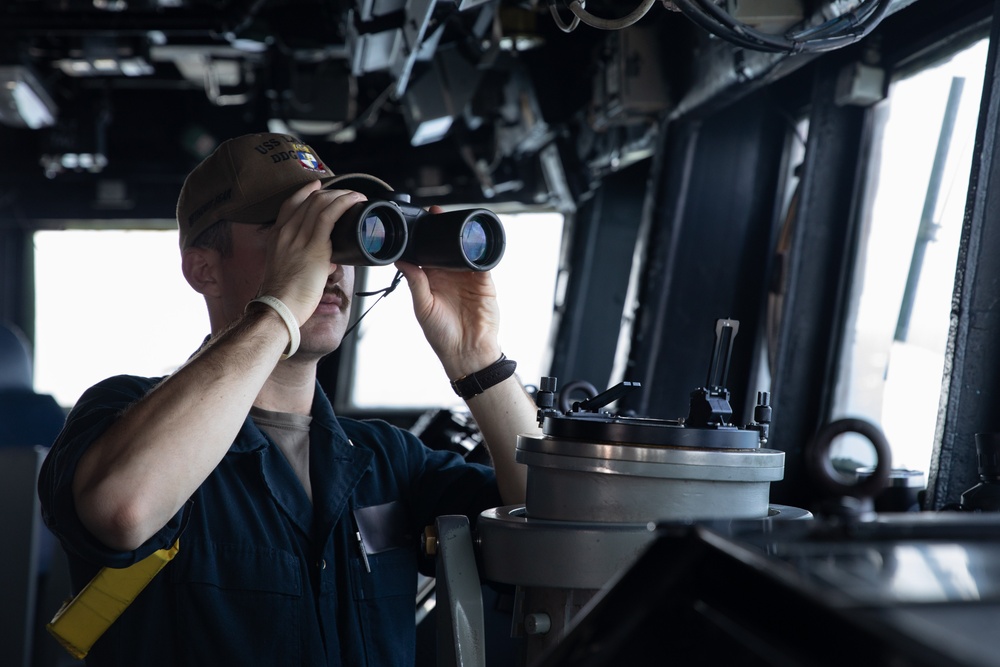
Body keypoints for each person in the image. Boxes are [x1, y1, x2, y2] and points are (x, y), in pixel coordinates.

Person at [38, 132, 539, 666]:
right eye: (294, 232)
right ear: (203, 268)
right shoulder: (123, 415)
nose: (328, 262)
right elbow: (124, 510)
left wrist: (479, 360)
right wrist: (279, 308)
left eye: (341, 233)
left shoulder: (386, 461)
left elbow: (552, 542)